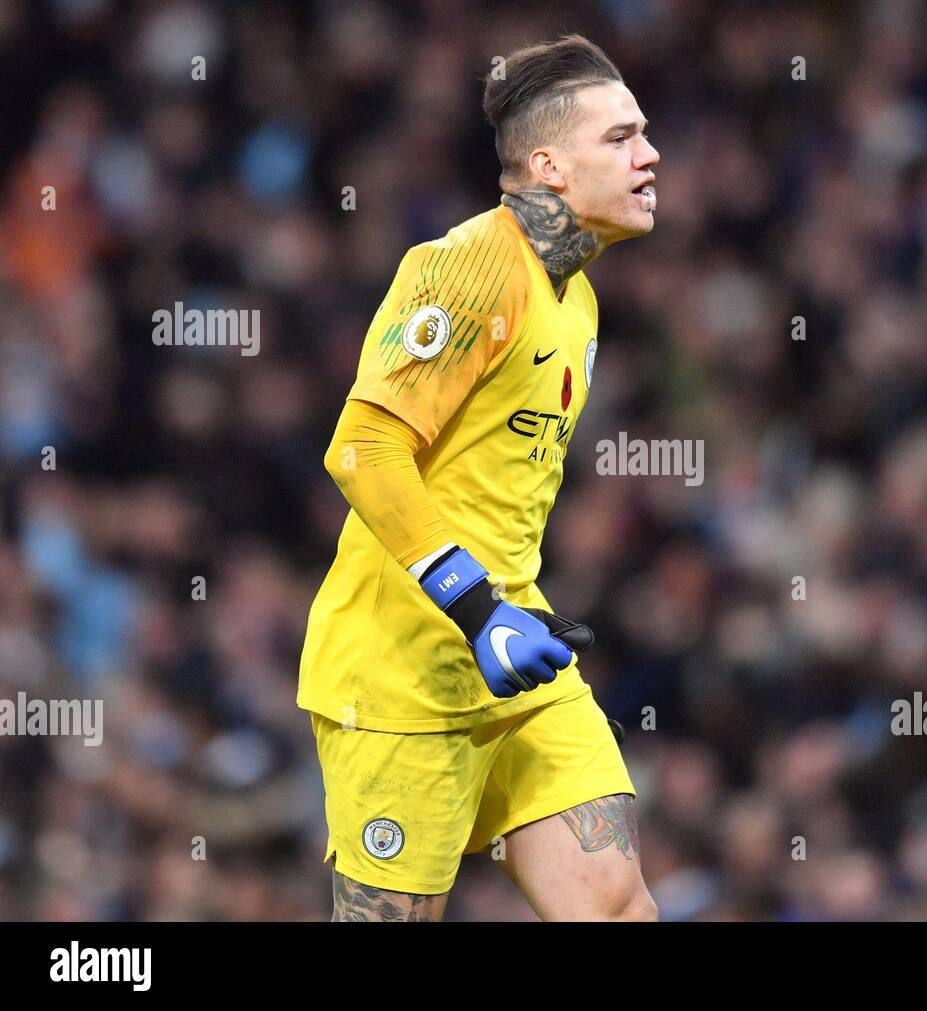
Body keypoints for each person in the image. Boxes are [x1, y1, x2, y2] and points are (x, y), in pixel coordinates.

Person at [297, 34, 660, 921]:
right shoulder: (470, 264)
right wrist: (473, 606)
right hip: (401, 681)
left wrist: (506, 610)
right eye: (620, 139)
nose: (650, 155)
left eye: (644, 133)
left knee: (616, 908)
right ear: (550, 166)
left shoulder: (576, 298)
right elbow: (362, 448)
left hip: (516, 664)